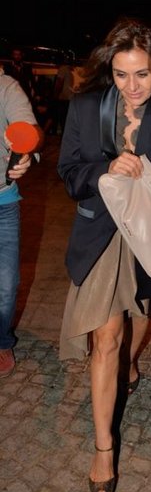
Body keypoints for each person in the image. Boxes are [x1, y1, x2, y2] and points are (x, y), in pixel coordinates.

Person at [57, 17, 151, 492]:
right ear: (109, 69)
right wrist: (104, 169)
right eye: (121, 74)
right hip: (101, 237)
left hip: (150, 238)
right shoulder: (85, 107)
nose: (132, 86)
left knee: (140, 314)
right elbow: (69, 173)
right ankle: (104, 448)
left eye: (142, 74)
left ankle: (130, 367)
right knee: (106, 337)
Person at [0, 68, 40, 378]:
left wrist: (26, 152)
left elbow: (29, 128)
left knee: (6, 283)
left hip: (3, 203)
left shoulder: (5, 87)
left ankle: (1, 342)